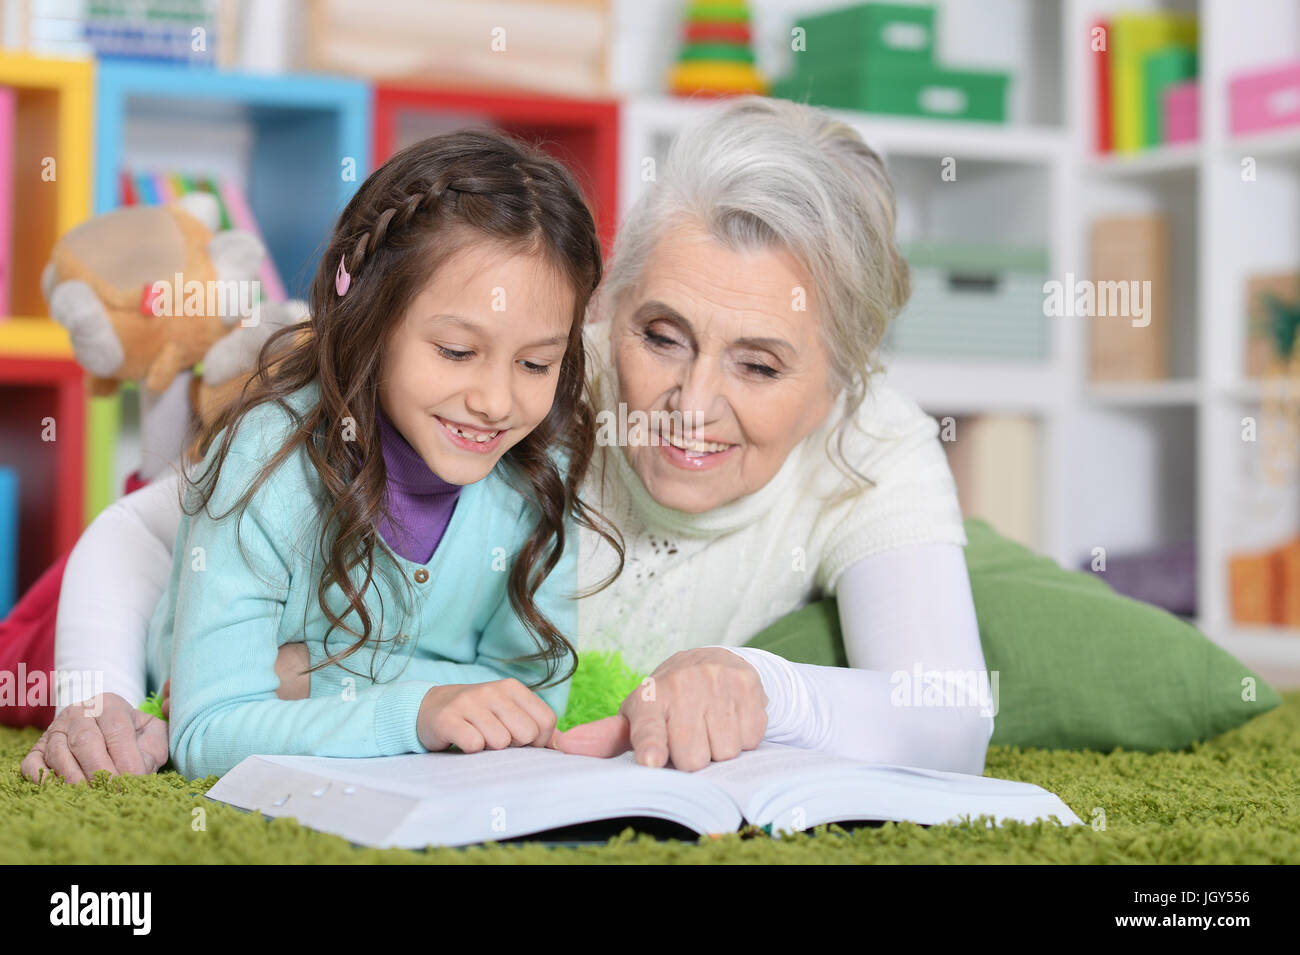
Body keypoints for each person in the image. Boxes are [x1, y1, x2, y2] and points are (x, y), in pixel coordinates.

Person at [26, 97, 993, 783]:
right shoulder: (533, 373)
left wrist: (763, 689)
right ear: (605, 312)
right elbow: (153, 530)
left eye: (762, 364)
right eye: (661, 334)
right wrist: (96, 692)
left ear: (843, 382)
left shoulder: (867, 445)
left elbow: (949, 709)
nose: (689, 404)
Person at [22, 128, 621, 782]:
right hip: (134, 586)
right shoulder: (264, 461)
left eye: (536, 362)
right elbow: (205, 726)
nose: (497, 400)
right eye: (455, 351)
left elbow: (530, 700)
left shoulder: (540, 470)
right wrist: (416, 706)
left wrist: (314, 673)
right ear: (370, 316)